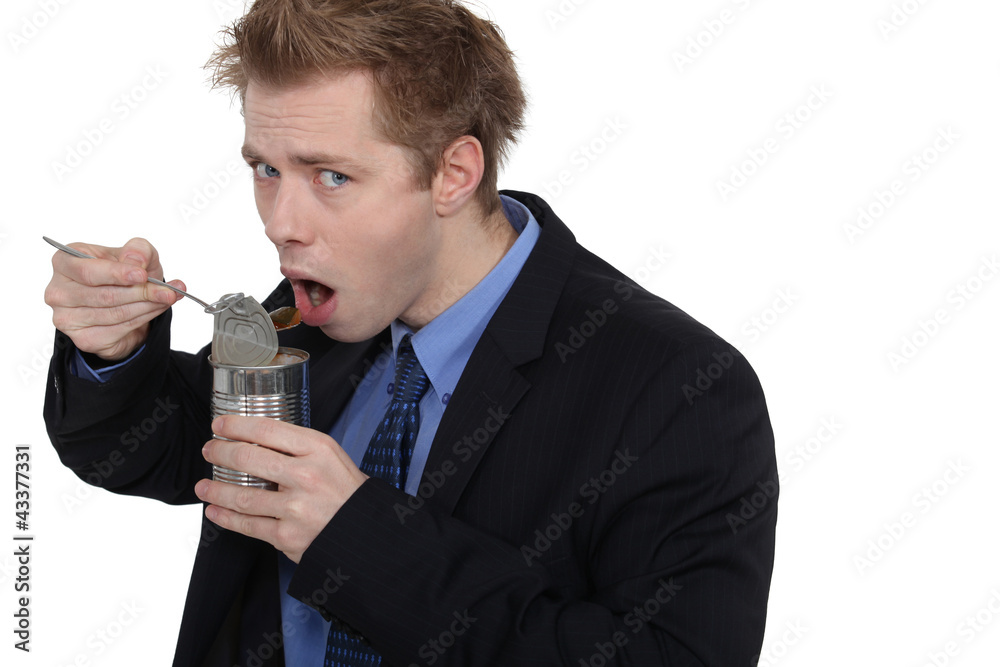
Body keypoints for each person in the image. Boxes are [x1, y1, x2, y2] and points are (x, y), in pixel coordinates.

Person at [43, 1, 778, 665]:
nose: (280, 223)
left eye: (330, 176)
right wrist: (112, 351)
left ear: (453, 174)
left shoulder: (680, 389)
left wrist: (361, 539)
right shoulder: (320, 308)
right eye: (266, 168)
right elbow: (169, 451)